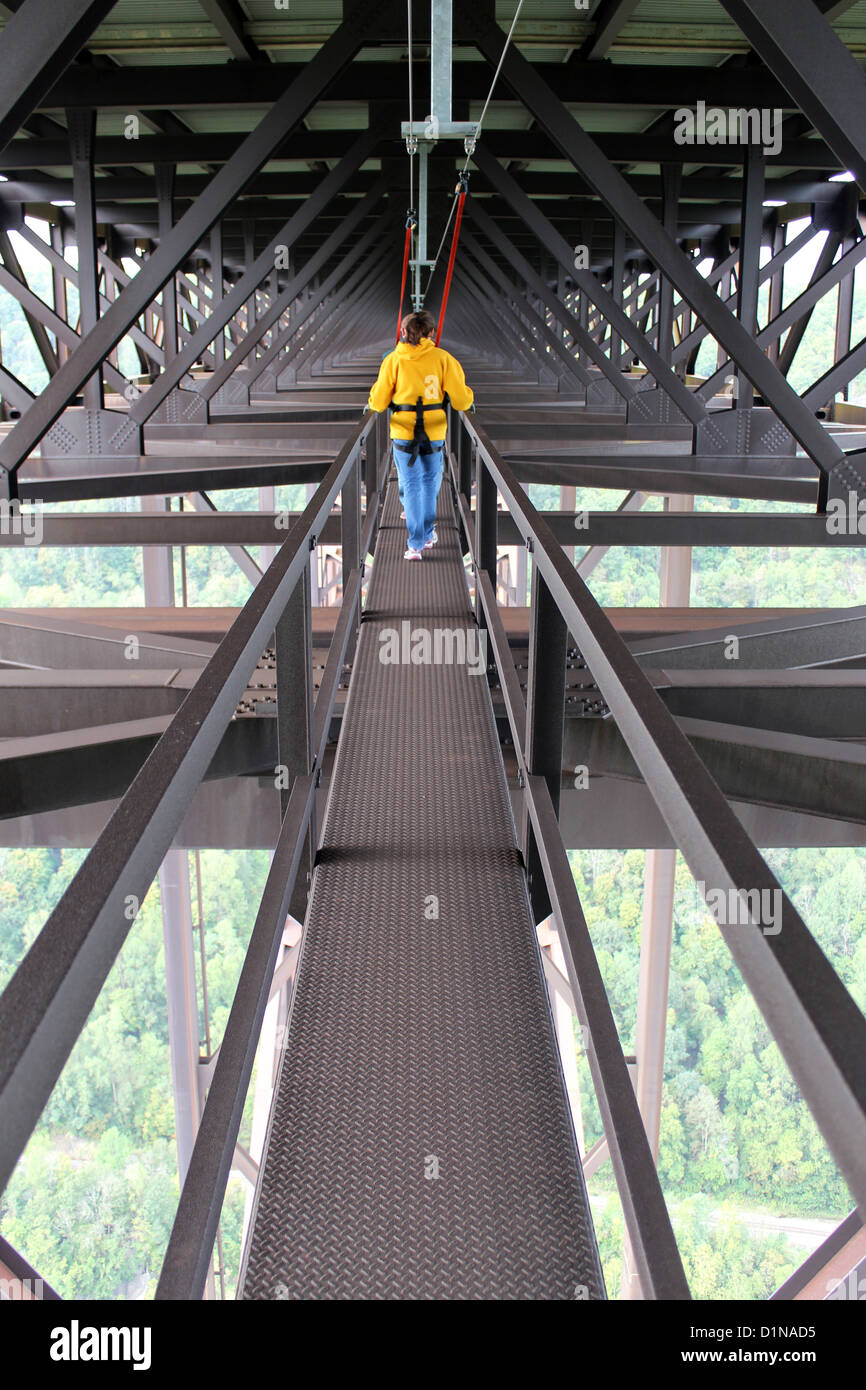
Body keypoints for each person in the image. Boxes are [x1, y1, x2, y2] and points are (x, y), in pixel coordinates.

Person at [367, 309, 474, 559]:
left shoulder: (393, 360)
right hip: (434, 430)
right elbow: (461, 400)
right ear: (432, 333)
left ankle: (415, 545)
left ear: (403, 332)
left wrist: (371, 402)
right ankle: (427, 534)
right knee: (429, 483)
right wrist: (470, 399)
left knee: (412, 484)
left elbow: (379, 401)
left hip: (403, 431)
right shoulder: (444, 359)